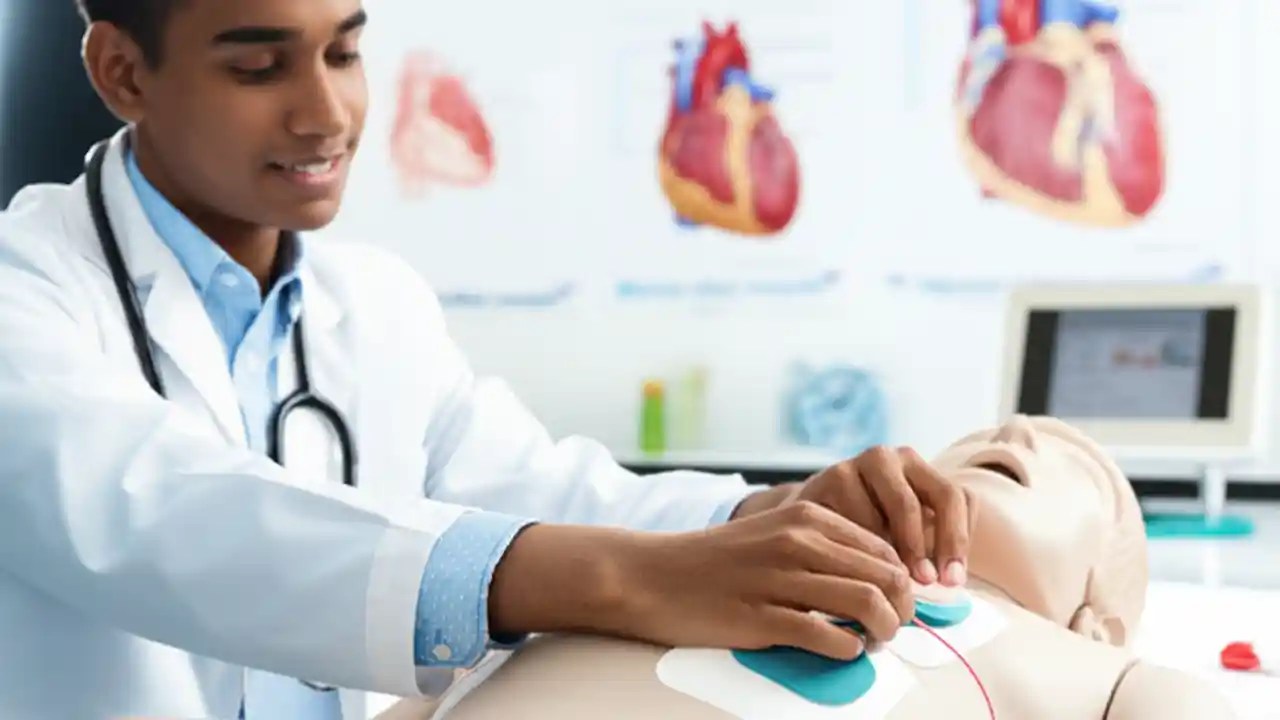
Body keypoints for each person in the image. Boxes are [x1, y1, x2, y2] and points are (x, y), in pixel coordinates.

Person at [0, 1, 972, 718]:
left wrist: (767, 513)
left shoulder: (372, 301)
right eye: (260, 68)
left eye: (344, 52)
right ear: (122, 73)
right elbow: (167, 515)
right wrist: (621, 580)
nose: (325, 114)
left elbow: (531, 486)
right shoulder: (24, 289)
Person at [408, 415, 1235, 720]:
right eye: (970, 441)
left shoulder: (1090, 671)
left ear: (1094, 621)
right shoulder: (692, 571)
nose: (1005, 437)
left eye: (1059, 466)